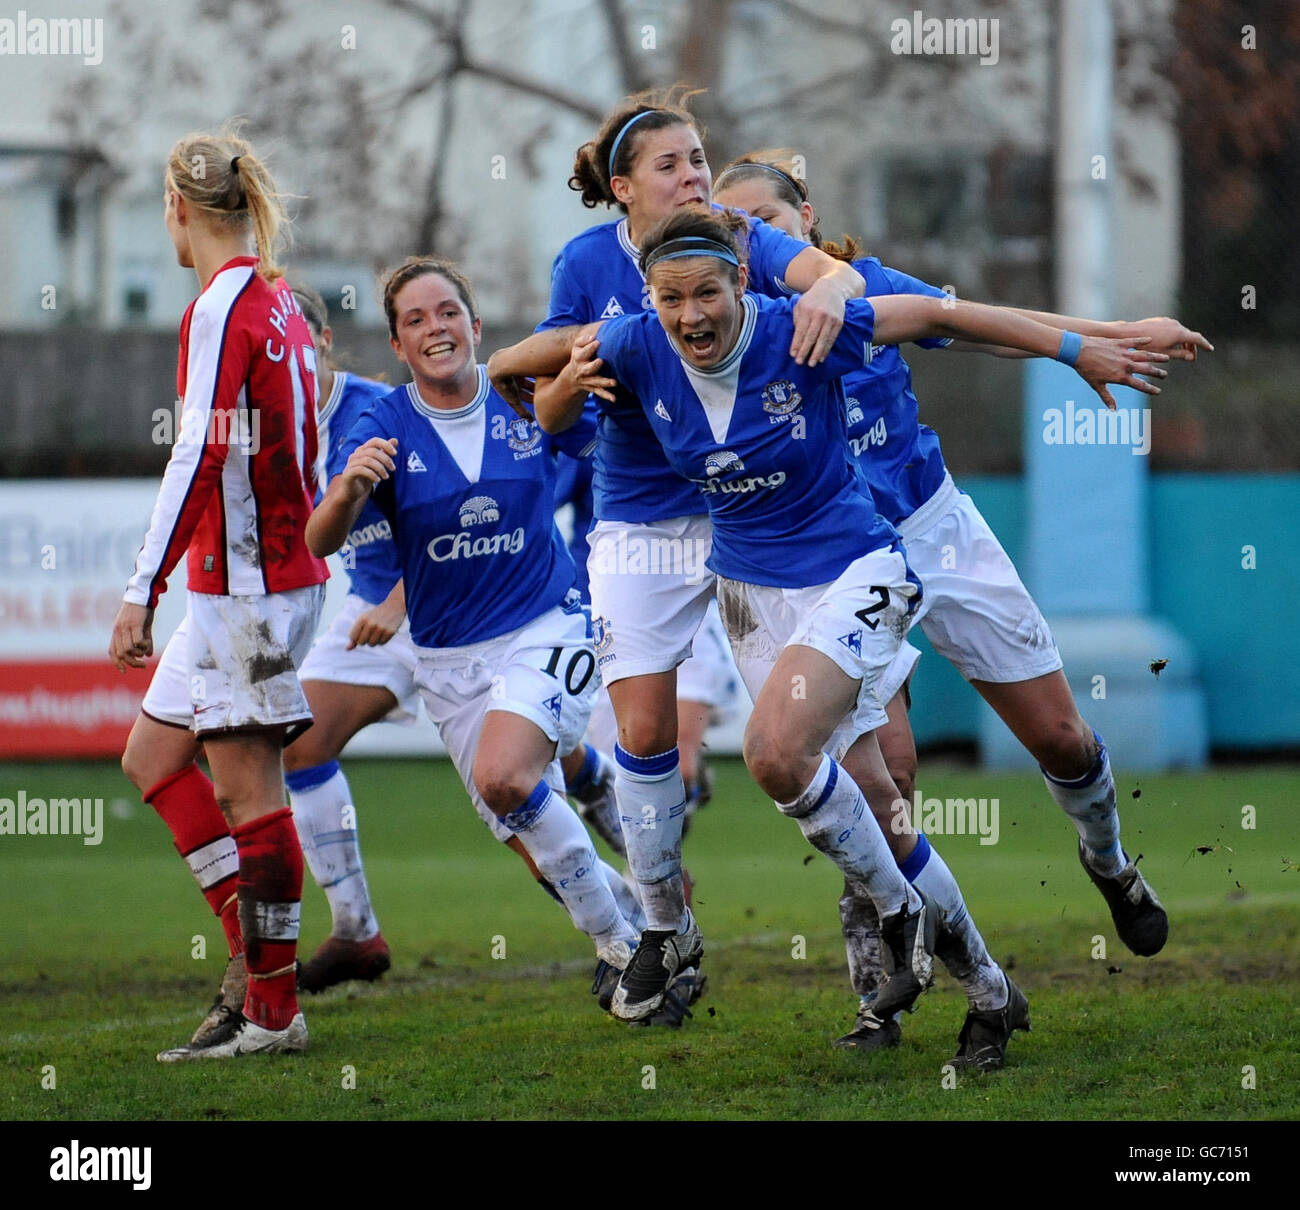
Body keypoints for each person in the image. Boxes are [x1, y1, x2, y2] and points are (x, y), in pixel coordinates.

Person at [490, 205, 1169, 1056]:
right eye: (673, 299)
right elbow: (526, 372)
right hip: (750, 593)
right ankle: (990, 992)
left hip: (858, 572)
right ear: (647, 299)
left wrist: (1080, 349)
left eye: (709, 291)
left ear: (751, 272)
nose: (692, 315)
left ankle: (910, 911)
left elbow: (946, 315)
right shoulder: (634, 343)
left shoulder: (807, 327)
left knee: (778, 754)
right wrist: (524, 364)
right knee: (880, 805)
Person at [712, 154, 1211, 1062]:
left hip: (934, 528)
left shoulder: (858, 293)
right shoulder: (723, 334)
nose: (750, 242)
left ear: (806, 220)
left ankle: (1108, 861)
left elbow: (974, 320)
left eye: (763, 222)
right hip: (844, 560)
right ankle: (882, 999)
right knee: (883, 780)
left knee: (1060, 739)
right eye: (733, 226)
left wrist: (1112, 332)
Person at [523, 89, 869, 1021]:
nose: (695, 176)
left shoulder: (741, 239)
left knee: (824, 748)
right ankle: (665, 928)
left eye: (700, 157)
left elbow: (842, 284)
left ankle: (896, 925)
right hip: (641, 525)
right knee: (643, 737)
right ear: (625, 188)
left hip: (754, 522)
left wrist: (834, 286)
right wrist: (554, 382)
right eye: (671, 164)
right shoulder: (586, 265)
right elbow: (547, 409)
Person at [305, 256, 646, 1002]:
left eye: (447, 312)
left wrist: (571, 379)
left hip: (546, 625)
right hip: (450, 659)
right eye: (416, 320)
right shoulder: (384, 423)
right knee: (518, 817)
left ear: (476, 325)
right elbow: (320, 540)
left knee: (506, 775)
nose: (436, 328)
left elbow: (570, 416)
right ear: (398, 345)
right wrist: (349, 488)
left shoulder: (519, 397)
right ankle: (636, 928)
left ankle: (627, 950)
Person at [109, 127, 327, 1060]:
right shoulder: (278, 302)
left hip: (246, 592)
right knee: (153, 760)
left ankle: (272, 1012)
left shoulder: (223, 308)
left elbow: (199, 450)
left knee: (252, 798)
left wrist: (139, 588)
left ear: (178, 208)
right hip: (253, 584)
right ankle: (254, 959)